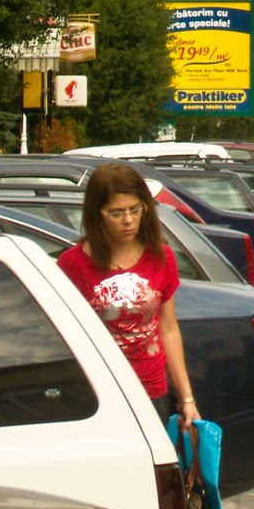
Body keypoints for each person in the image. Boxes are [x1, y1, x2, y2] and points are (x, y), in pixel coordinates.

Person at [57, 161, 200, 429]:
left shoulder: (160, 255)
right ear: (97, 214)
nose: (128, 220)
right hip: (99, 397)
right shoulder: (72, 265)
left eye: (136, 210)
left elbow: (168, 329)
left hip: (151, 391)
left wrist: (187, 399)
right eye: (116, 212)